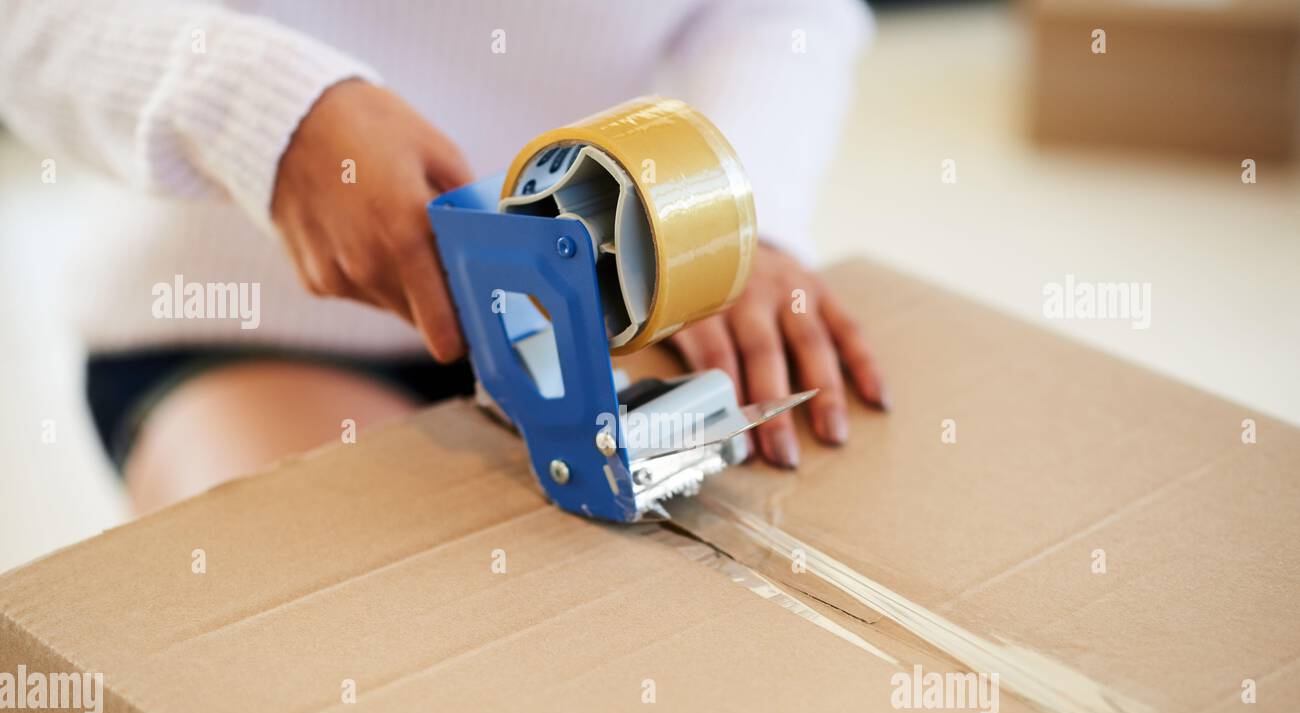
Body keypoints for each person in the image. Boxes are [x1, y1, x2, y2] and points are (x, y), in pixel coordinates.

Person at [0, 0, 886, 513]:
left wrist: (738, 212)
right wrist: (251, 106)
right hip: (235, 322)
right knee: (344, 643)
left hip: (606, 297)